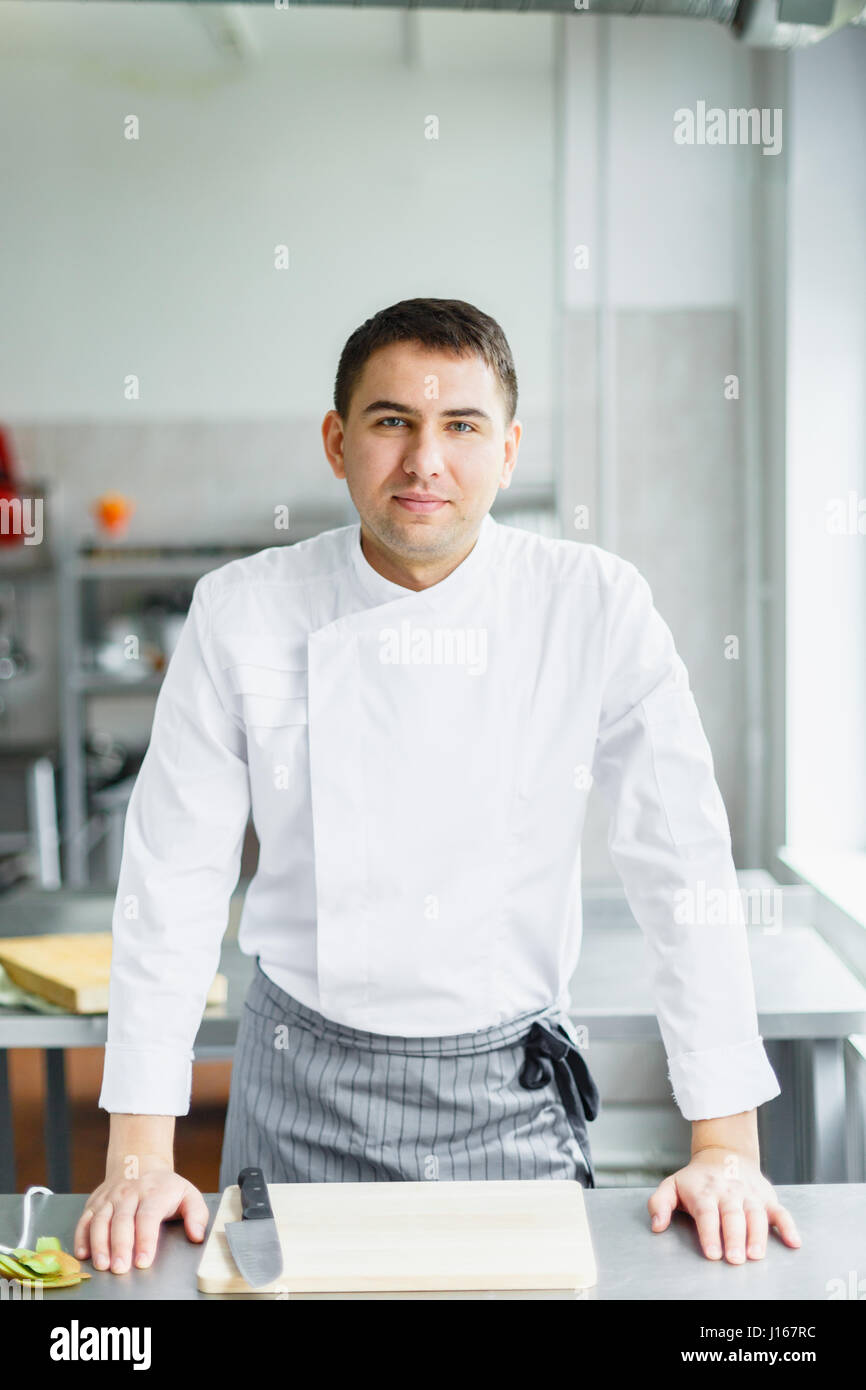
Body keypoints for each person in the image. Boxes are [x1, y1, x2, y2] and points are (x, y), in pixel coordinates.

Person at [75, 297, 800, 1276]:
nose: (424, 460)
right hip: (300, 1089)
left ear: (506, 449)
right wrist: (137, 1156)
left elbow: (683, 870)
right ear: (336, 442)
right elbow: (172, 882)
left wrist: (724, 1147)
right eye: (391, 422)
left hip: (507, 1097)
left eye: (459, 426)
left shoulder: (592, 605)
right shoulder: (241, 612)